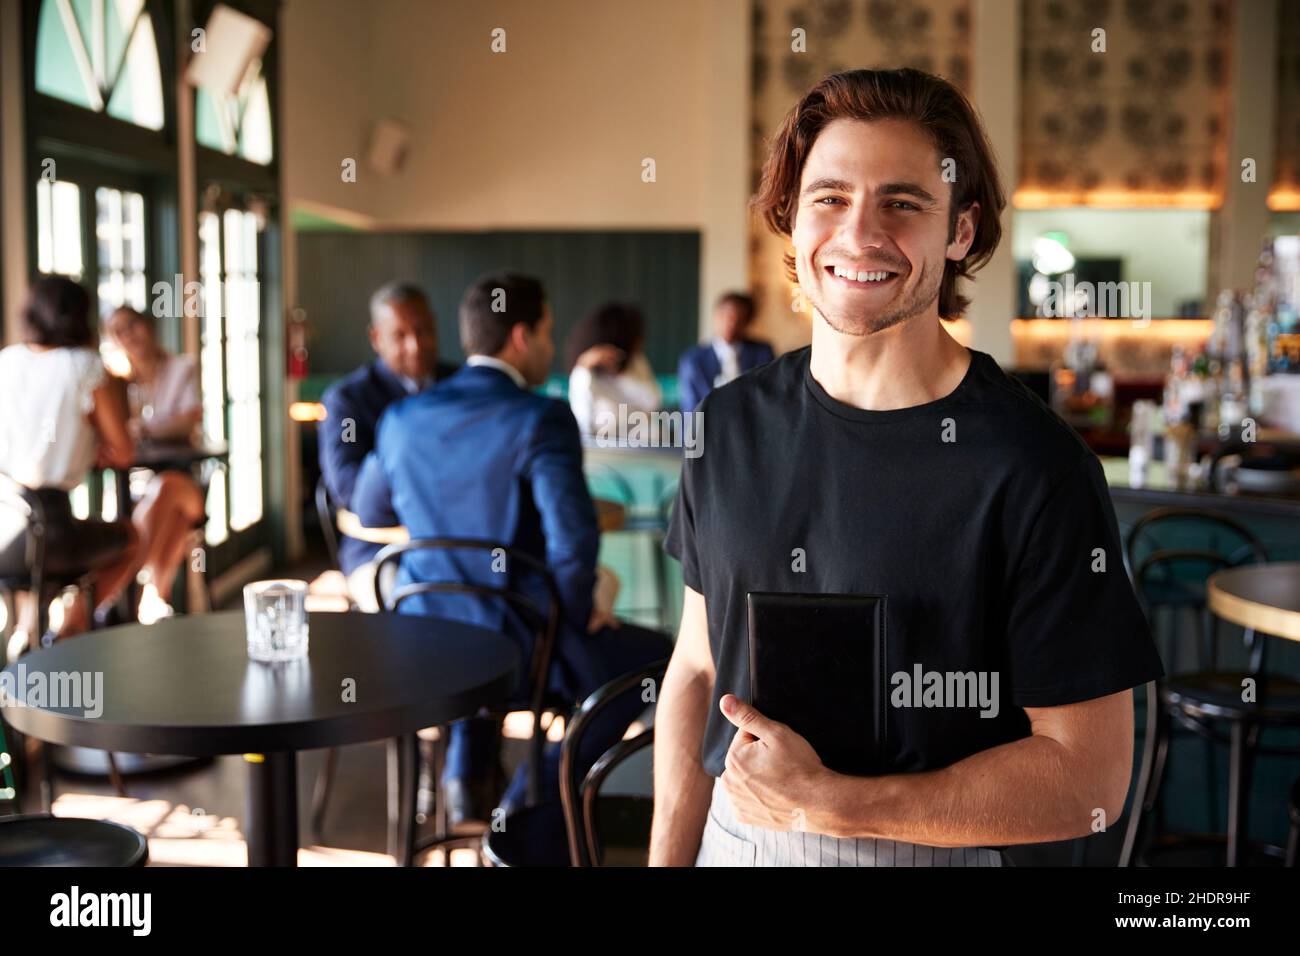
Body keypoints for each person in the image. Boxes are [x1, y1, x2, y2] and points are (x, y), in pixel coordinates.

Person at [651, 68, 1163, 867]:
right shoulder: (725, 426)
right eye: (829, 197)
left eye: (903, 202)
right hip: (736, 837)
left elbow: (1089, 775)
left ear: (960, 230)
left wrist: (839, 806)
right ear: (791, 217)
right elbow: (694, 668)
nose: (859, 234)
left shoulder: (1035, 466)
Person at [353, 273, 671, 857]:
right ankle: (527, 808)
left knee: (505, 654)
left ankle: (471, 788)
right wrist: (574, 617)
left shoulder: (403, 417)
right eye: (548, 333)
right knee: (658, 658)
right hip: (516, 643)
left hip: (422, 644)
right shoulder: (540, 417)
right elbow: (574, 543)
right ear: (521, 337)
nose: (552, 348)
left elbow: (369, 508)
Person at [0, 277, 138, 645]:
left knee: (40, 561)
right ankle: (68, 630)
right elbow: (124, 450)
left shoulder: (7, 360)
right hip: (51, 532)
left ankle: (30, 629)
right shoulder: (84, 366)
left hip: (5, 527)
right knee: (131, 539)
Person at [318, 281, 457, 610]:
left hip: (461, 546)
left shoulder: (463, 384)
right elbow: (347, 488)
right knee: (407, 613)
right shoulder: (347, 400)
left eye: (424, 331)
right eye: (400, 335)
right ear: (376, 338)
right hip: (379, 550)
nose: (416, 345)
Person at [102, 306, 207, 623]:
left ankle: (113, 590)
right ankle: (154, 599)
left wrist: (140, 429)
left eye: (132, 325)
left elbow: (188, 420)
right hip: (138, 491)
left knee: (166, 489)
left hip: (188, 484)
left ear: (148, 326)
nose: (128, 335)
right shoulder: (116, 384)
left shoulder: (181, 368)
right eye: (118, 331)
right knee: (168, 515)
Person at [565, 302, 661, 435]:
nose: (640, 344)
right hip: (606, 452)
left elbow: (653, 402)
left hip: (645, 448)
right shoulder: (584, 377)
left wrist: (621, 374)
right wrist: (583, 369)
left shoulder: (635, 362)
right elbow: (583, 426)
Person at [676, 292, 774, 412]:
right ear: (715, 316)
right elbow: (690, 408)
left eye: (739, 318)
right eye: (725, 315)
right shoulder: (693, 360)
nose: (731, 323)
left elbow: (767, 399)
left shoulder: (762, 353)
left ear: (748, 322)